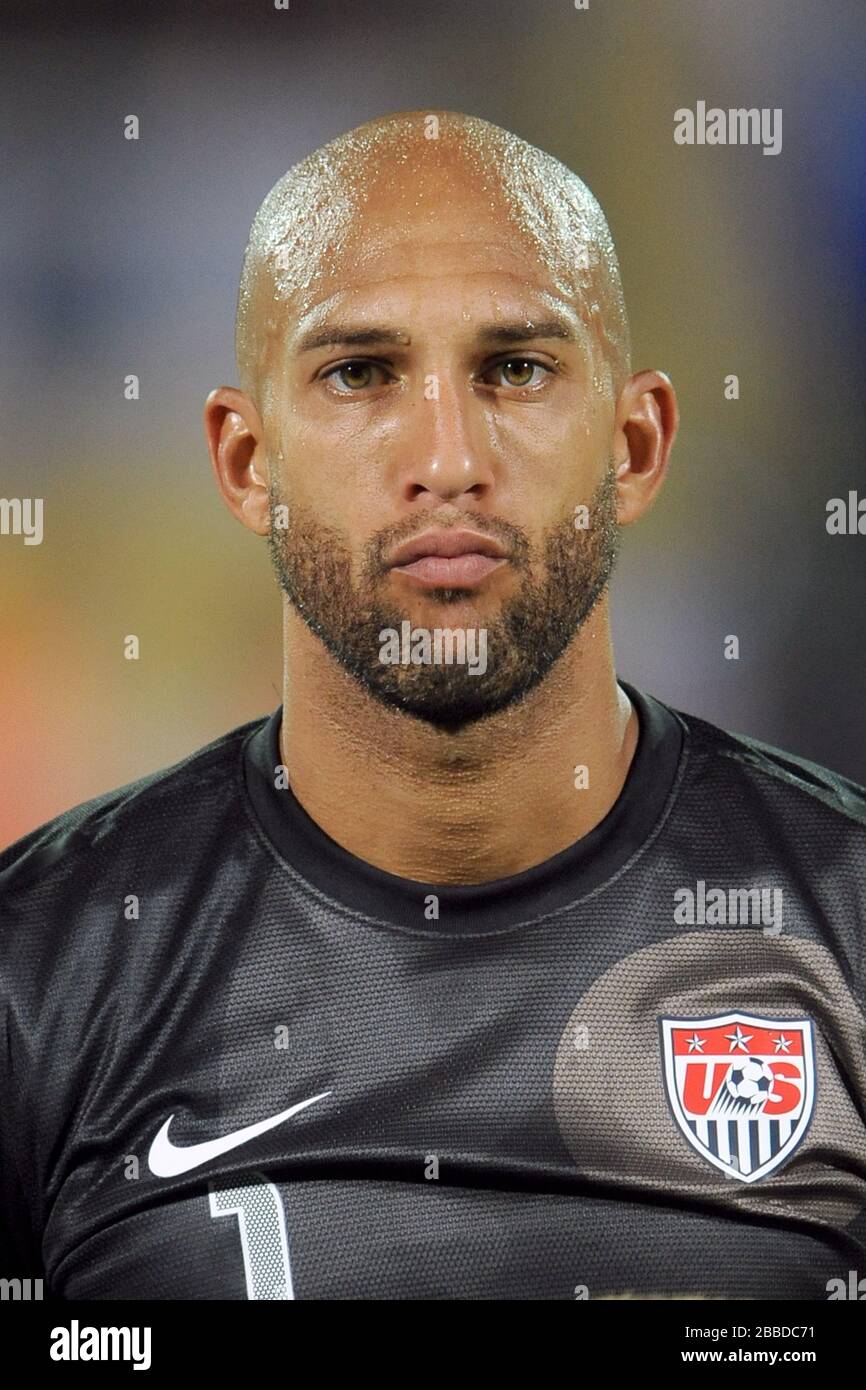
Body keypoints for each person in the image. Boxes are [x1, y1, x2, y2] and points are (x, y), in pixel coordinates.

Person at [1, 112, 863, 1300]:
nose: (447, 457)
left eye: (515, 367)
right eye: (360, 373)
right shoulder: (40, 971)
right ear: (249, 464)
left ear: (635, 443)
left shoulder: (845, 928)